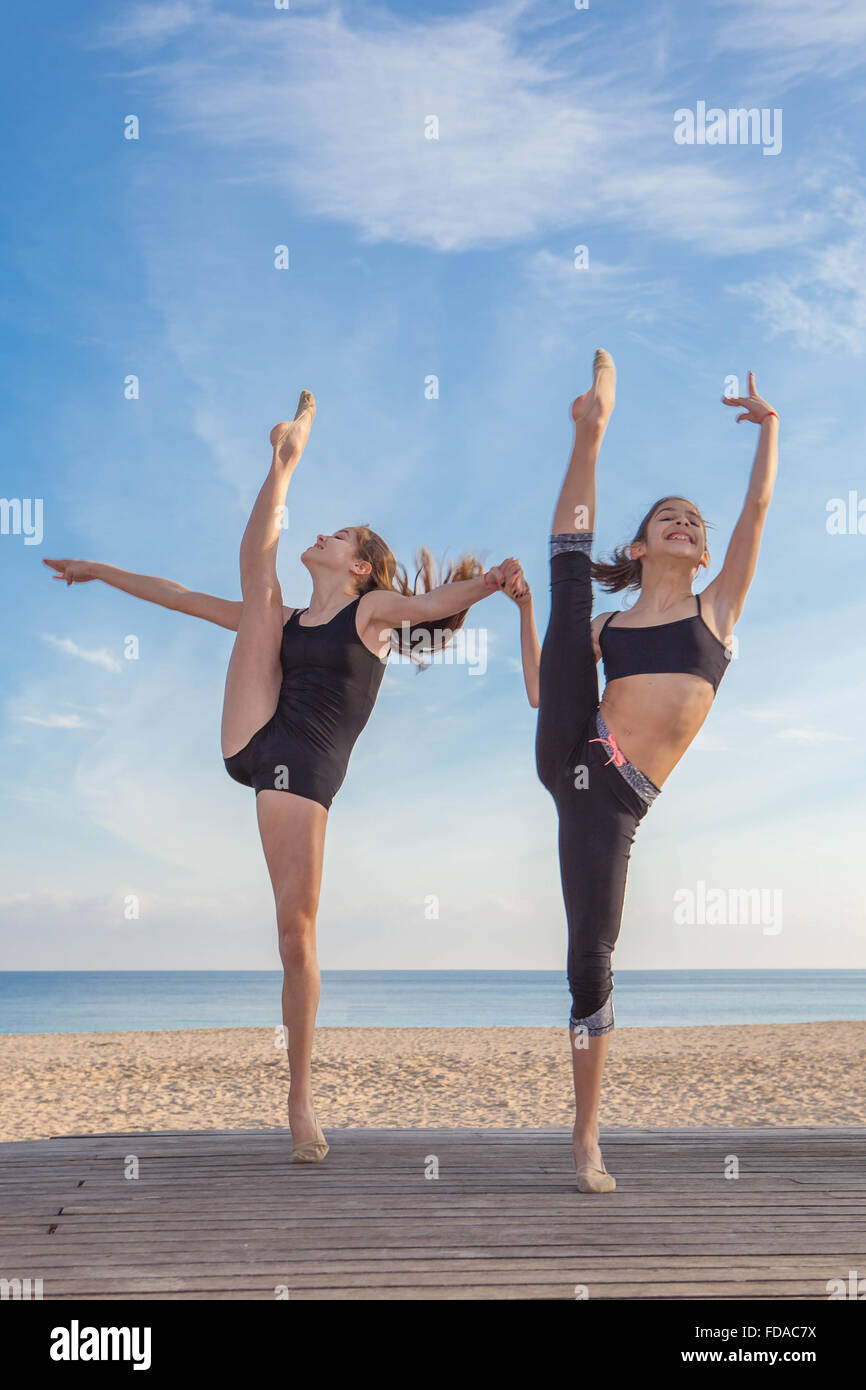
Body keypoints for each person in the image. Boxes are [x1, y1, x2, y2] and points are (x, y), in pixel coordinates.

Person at [45, 391, 515, 1162]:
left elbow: (434, 601)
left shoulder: (372, 613)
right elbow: (182, 598)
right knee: (258, 594)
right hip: (252, 738)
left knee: (295, 938)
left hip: (304, 769)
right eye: (322, 527)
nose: (323, 536)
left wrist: (492, 583)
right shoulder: (285, 618)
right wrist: (98, 570)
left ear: (359, 566)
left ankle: (299, 1100)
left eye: (339, 535)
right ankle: (283, 459)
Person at [502, 353, 779, 1192]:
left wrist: (770, 429)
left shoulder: (717, 609)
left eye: (694, 519)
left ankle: (585, 1136)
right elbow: (541, 689)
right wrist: (526, 616)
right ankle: (592, 429)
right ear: (642, 541)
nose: (689, 522)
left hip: (613, 797)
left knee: (591, 956)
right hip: (568, 748)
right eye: (671, 515)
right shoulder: (610, 624)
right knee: (564, 587)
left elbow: (756, 511)